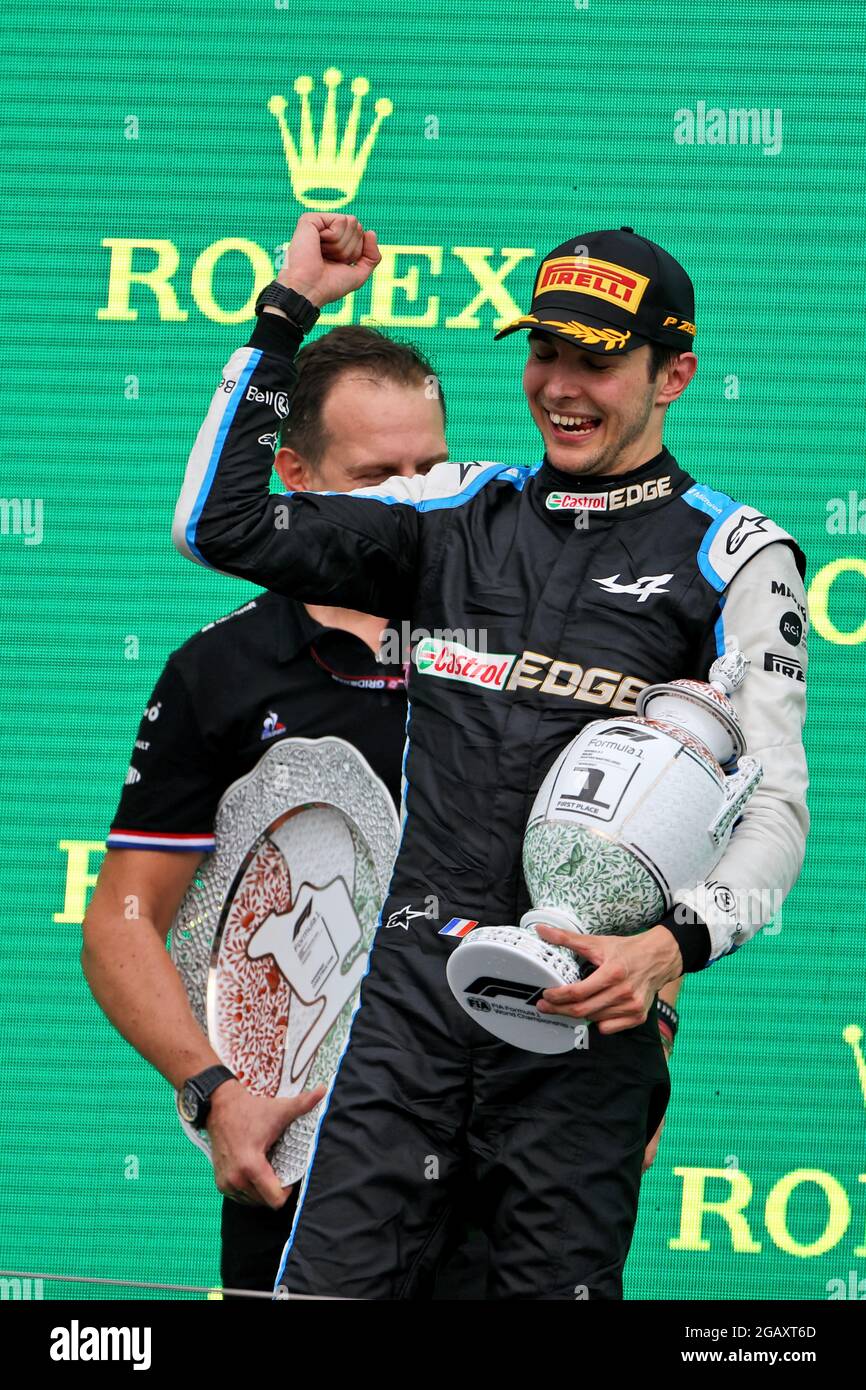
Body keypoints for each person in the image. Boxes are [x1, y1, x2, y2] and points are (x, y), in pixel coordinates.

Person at [172, 213, 809, 1299]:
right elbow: (219, 525)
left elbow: (773, 809)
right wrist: (287, 315)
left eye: (597, 361)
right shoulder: (446, 511)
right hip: (406, 1016)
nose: (560, 385)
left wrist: (670, 950)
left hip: (580, 1029)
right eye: (543, 350)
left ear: (674, 373)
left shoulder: (733, 553)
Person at [81, 325, 452, 1295]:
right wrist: (216, 1094)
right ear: (291, 474)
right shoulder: (219, 671)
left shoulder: (508, 652)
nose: (413, 500)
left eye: (432, 469)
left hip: (501, 1161)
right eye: (380, 475)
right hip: (302, 1174)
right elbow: (121, 923)